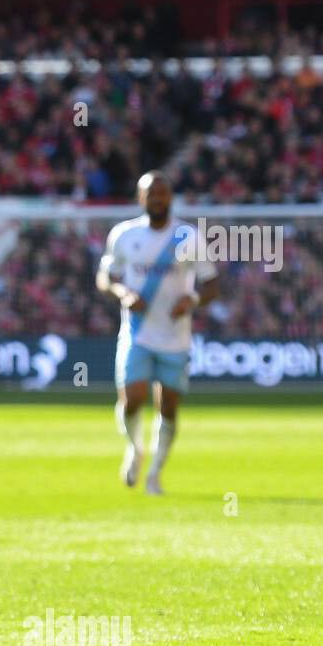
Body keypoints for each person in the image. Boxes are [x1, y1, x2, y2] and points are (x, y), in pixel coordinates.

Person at [96, 171, 219, 495]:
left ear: (171, 197)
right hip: (137, 332)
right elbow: (105, 277)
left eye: (162, 193)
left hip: (175, 336)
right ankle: (135, 450)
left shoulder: (188, 237)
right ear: (140, 198)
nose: (157, 199)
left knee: (168, 408)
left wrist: (191, 299)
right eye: (151, 194)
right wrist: (122, 294)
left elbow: (211, 283)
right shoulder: (123, 235)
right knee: (133, 400)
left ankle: (155, 473)